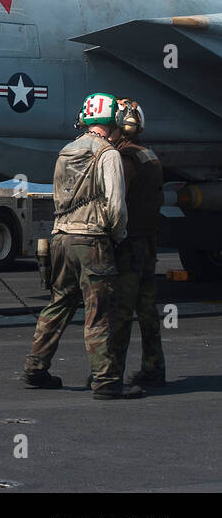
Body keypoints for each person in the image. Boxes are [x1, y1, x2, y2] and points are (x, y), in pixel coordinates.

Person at [22, 92, 143, 399]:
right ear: (113, 121)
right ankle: (106, 381)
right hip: (92, 241)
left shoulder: (65, 151)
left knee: (58, 304)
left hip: (61, 237)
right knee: (99, 310)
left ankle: (36, 368)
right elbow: (116, 206)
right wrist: (118, 235)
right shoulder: (108, 154)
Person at [110, 99, 166, 387]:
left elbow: (117, 200)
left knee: (121, 310)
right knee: (146, 308)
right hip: (148, 241)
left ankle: (112, 373)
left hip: (130, 244)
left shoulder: (126, 158)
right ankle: (154, 367)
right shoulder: (149, 154)